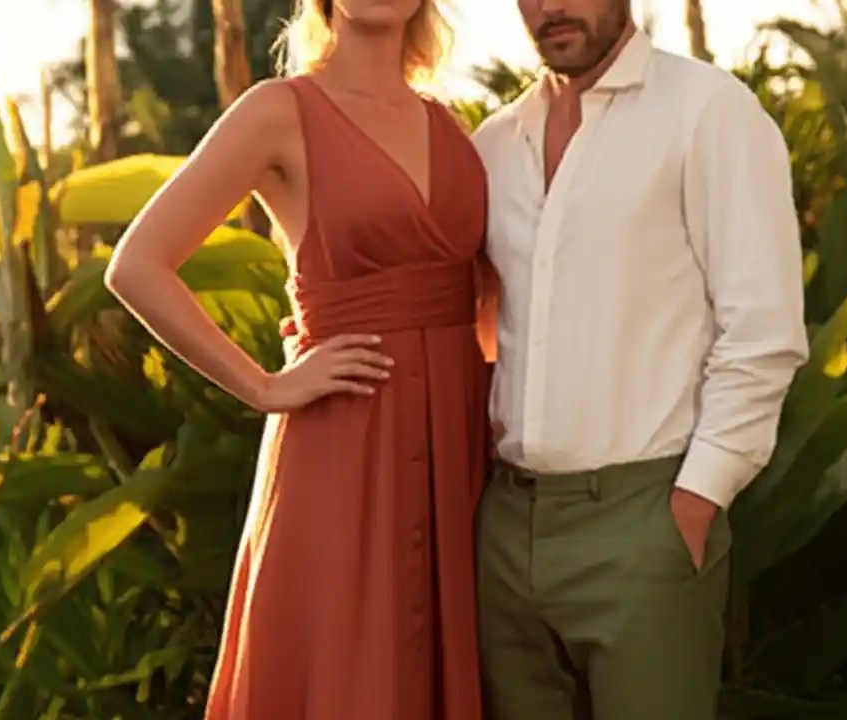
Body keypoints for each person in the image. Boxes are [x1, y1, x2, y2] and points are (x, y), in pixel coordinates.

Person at [103, 1, 493, 717]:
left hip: (458, 448)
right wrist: (263, 385)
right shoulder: (279, 111)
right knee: (345, 675)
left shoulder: (450, 123)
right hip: (345, 443)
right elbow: (137, 266)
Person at [471, 1, 808, 718]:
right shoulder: (493, 143)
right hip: (503, 526)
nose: (549, 7)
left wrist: (696, 499)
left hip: (644, 519)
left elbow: (762, 328)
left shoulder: (709, 111)